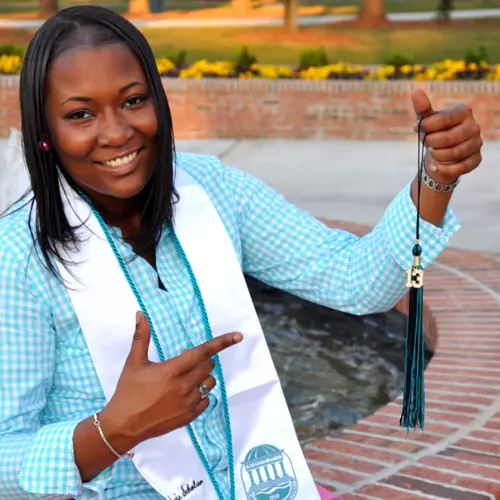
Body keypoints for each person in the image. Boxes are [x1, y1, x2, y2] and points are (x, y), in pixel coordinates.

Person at [0, 5, 482, 500]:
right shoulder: (19, 257)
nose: (117, 132)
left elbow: (359, 283)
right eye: (80, 114)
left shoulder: (211, 191)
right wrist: (113, 430)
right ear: (45, 133)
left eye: (133, 100)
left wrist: (435, 179)